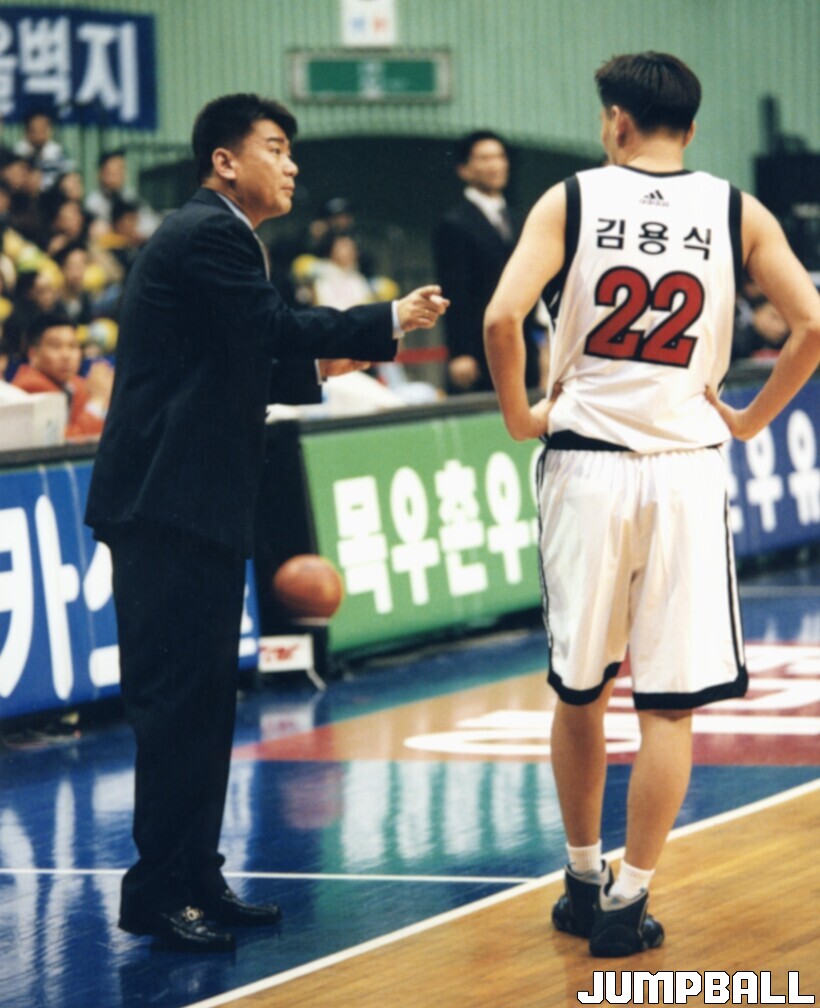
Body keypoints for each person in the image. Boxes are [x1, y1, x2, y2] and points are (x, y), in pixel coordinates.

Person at [84, 93, 447, 953]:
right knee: (178, 707)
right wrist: (385, 321)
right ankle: (157, 891)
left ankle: (194, 878)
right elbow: (268, 329)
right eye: (276, 149)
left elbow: (238, 361)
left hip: (193, 503)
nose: (291, 166)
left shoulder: (221, 236)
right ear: (223, 161)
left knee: (208, 705)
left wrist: (329, 361)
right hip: (166, 506)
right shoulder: (208, 232)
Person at [483, 52, 820, 957]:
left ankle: (582, 878)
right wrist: (749, 417)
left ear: (617, 122)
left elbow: (500, 318)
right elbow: (815, 324)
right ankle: (630, 901)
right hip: (684, 468)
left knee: (581, 687)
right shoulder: (735, 209)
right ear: (694, 128)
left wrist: (521, 416)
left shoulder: (572, 198)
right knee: (669, 704)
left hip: (586, 465)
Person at [434, 130, 541, 395]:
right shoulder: (454, 224)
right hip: (478, 352)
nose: (494, 164)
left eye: (499, 156)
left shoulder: (520, 220)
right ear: (464, 170)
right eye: (484, 158)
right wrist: (460, 352)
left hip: (522, 345)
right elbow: (454, 290)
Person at [11, 311, 112, 439]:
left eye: (73, 346)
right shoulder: (30, 386)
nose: (66, 355)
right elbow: (63, 443)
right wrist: (98, 401)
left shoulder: (74, 383)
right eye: (56, 346)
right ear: (33, 354)